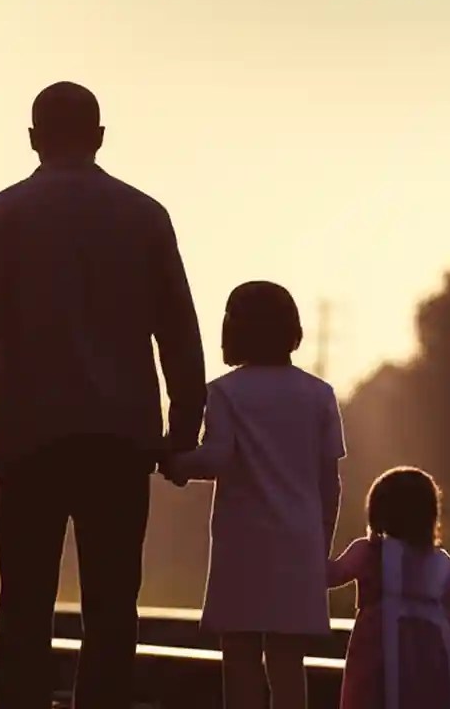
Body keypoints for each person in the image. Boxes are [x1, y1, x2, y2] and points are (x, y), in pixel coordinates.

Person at [0, 81, 206, 708]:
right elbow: (179, 329)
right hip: (120, 441)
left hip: (30, 441)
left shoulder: (2, 216)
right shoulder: (145, 215)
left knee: (24, 602)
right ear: (99, 137)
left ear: (34, 140)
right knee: (113, 603)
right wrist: (182, 435)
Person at [164, 280, 346, 709]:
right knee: (287, 662)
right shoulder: (319, 395)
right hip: (299, 542)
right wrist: (321, 544)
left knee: (241, 657)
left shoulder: (226, 392)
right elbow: (329, 482)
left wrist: (173, 461)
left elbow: (216, 459)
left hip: (243, 544)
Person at [326, 467, 450, 709]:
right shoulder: (442, 564)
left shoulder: (368, 554)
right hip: (431, 665)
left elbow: (329, 576)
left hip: (376, 661)